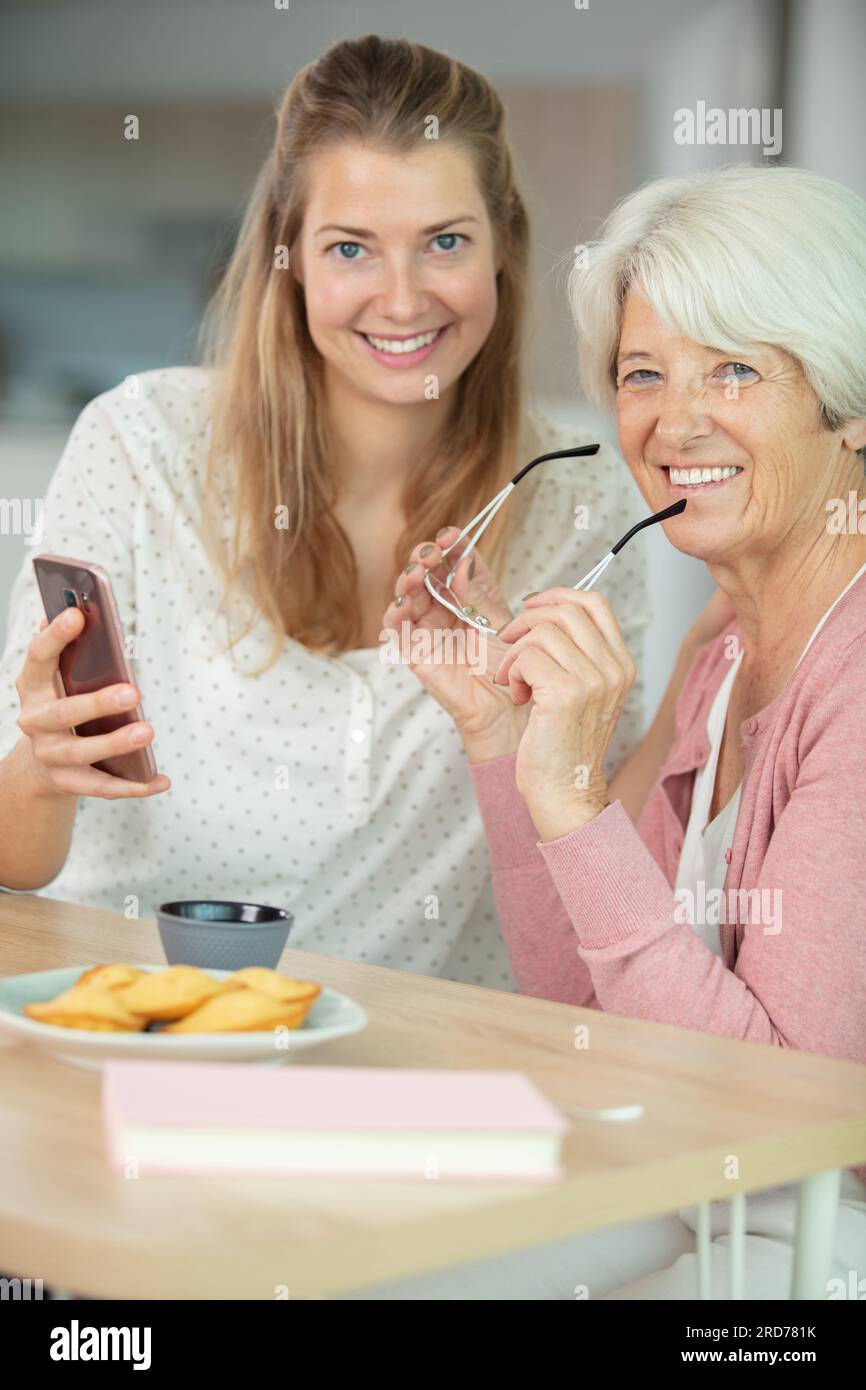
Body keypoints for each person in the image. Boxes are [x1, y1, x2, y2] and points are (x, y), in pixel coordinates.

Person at [0, 35, 673, 989]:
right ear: (293, 260)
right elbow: (13, 862)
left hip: (441, 1074)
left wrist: (687, 685)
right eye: (351, 248)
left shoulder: (581, 497)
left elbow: (588, 864)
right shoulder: (139, 443)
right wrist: (40, 765)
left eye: (445, 242)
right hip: (147, 1042)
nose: (402, 301)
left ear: (504, 247)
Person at [378, 165, 866, 1296]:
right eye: (642, 373)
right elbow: (583, 1006)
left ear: (846, 403)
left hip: (816, 1229)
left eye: (733, 368)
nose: (672, 421)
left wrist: (576, 801)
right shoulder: (721, 642)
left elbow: (786, 1108)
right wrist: (507, 746)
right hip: (707, 1188)